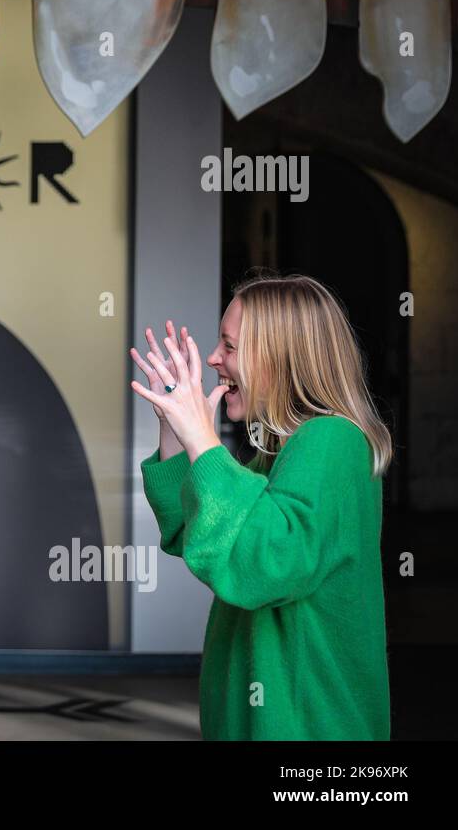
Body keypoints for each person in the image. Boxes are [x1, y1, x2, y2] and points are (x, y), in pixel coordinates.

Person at [130, 272, 391, 740]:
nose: (213, 358)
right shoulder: (279, 450)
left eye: (228, 347)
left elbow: (268, 562)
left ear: (279, 357)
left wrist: (202, 439)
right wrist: (177, 429)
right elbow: (195, 530)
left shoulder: (331, 440)